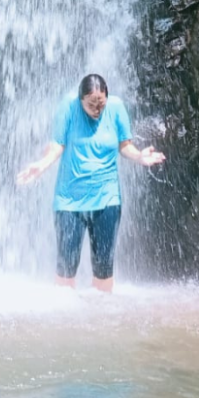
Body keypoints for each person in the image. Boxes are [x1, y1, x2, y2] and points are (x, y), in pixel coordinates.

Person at [15, 74, 166, 293]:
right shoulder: (68, 106)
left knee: (104, 268)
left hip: (107, 199)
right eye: (91, 105)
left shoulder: (116, 107)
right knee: (66, 269)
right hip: (69, 201)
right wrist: (41, 165)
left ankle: (103, 320)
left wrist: (140, 157)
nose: (97, 110)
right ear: (80, 100)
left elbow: (124, 146)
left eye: (101, 104)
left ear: (107, 96)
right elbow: (57, 145)